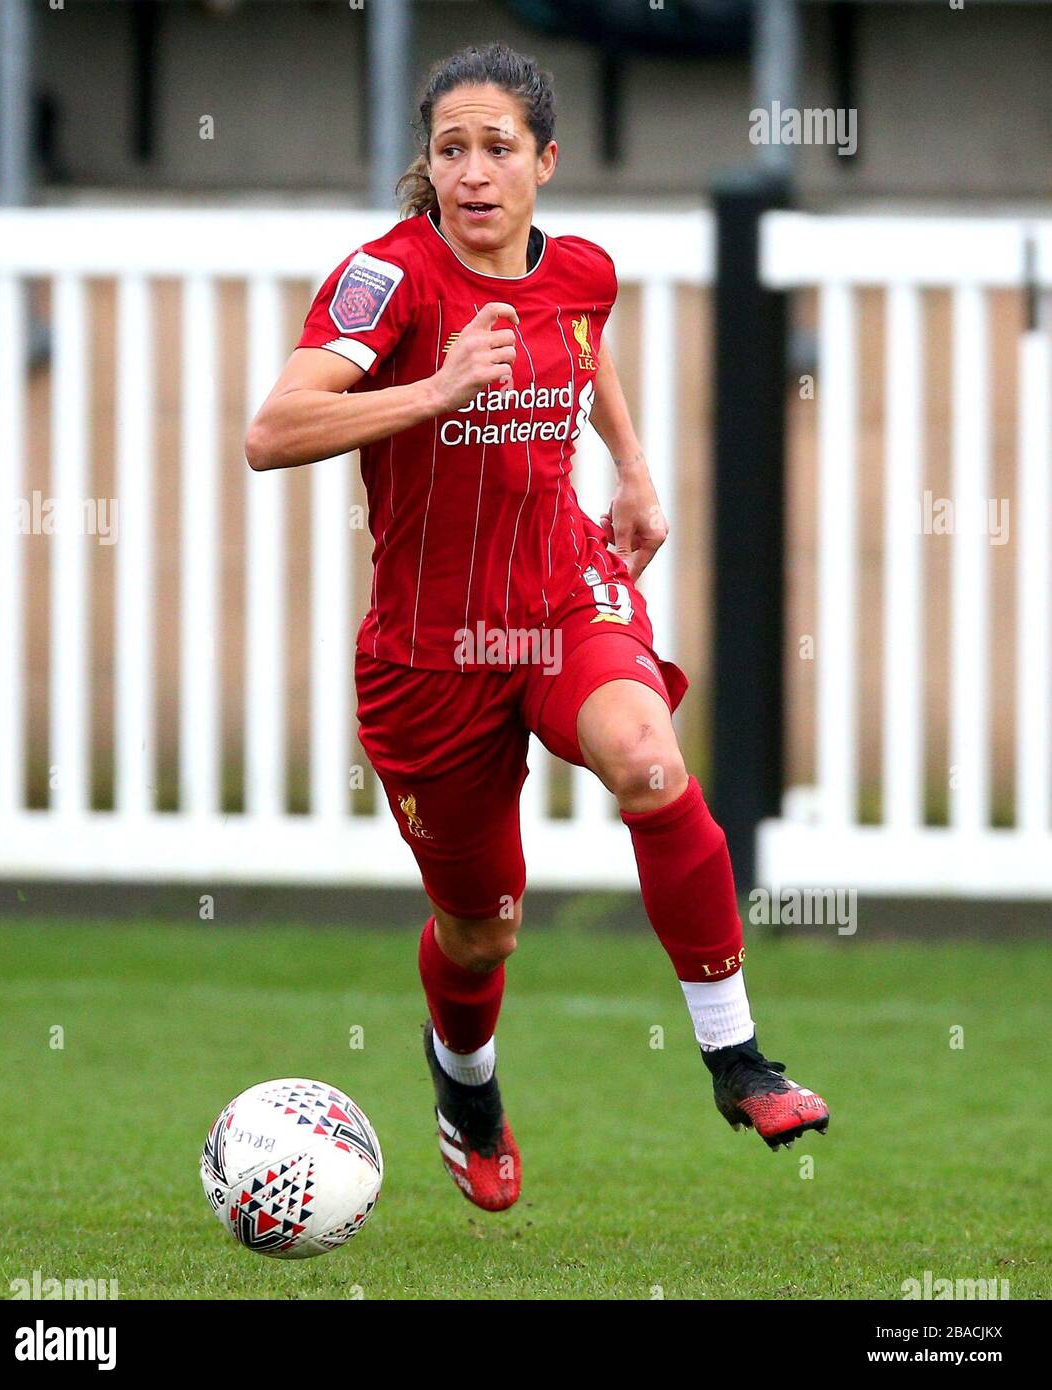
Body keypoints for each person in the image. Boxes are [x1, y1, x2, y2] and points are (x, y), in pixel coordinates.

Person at [245, 41, 828, 1214]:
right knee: (481, 932)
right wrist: (431, 391)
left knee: (650, 760)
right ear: (428, 164)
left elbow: (578, 342)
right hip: (429, 654)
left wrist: (634, 466)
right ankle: (465, 1082)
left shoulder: (584, 271)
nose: (472, 172)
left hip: (560, 594)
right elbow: (274, 429)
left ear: (544, 163)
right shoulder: (385, 281)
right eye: (450, 149)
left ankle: (736, 1058)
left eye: (496, 148)